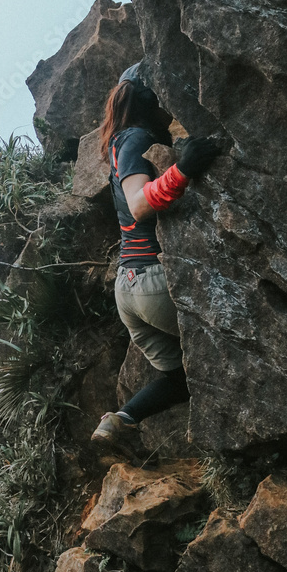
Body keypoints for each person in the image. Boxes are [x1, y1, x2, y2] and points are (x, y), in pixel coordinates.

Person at [90, 62, 219, 449]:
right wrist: (183, 170)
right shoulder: (135, 138)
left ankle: (120, 420)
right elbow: (139, 205)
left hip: (129, 291)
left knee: (179, 379)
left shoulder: (122, 140)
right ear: (150, 97)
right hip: (153, 281)